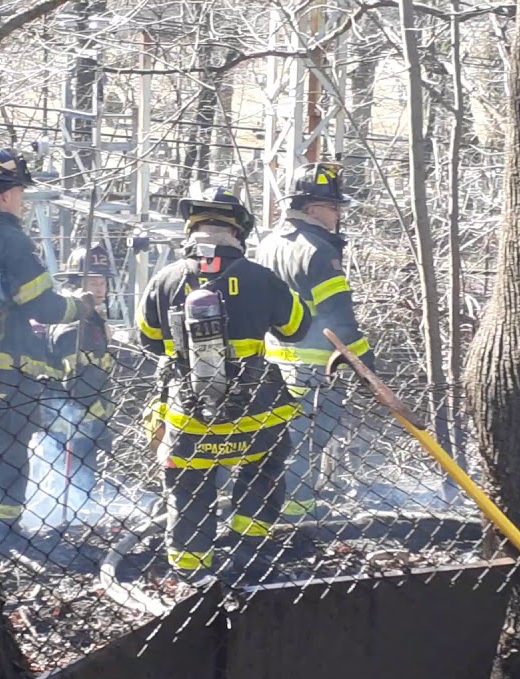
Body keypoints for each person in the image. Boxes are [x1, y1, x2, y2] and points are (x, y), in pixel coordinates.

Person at [137, 187, 310, 579]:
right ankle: (249, 557)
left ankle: (192, 576)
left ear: (190, 228)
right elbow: (298, 328)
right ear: (239, 232)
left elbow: (146, 339)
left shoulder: (165, 279)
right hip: (257, 417)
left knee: (188, 492)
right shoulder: (260, 279)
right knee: (262, 475)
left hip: (189, 417)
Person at [0, 147, 96, 552]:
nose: (23, 199)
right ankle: (1, 532)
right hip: (10, 373)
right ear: (5, 195)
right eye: (21, 191)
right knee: (9, 451)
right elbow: (43, 305)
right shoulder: (11, 240)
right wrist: (81, 305)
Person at [253, 162, 375, 521]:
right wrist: (368, 366)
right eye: (333, 207)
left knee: (279, 442)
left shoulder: (268, 244)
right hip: (315, 370)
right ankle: (299, 519)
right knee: (306, 445)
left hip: (274, 364)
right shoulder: (319, 251)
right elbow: (340, 318)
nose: (339, 215)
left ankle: (272, 509)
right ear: (310, 208)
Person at [36, 244, 116, 529]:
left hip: (79, 419)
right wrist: (95, 418)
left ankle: (71, 519)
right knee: (71, 481)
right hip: (74, 422)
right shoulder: (74, 325)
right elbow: (80, 383)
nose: (100, 287)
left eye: (103, 281)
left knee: (71, 481)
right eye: (93, 281)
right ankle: (68, 524)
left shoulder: (87, 318)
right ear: (76, 282)